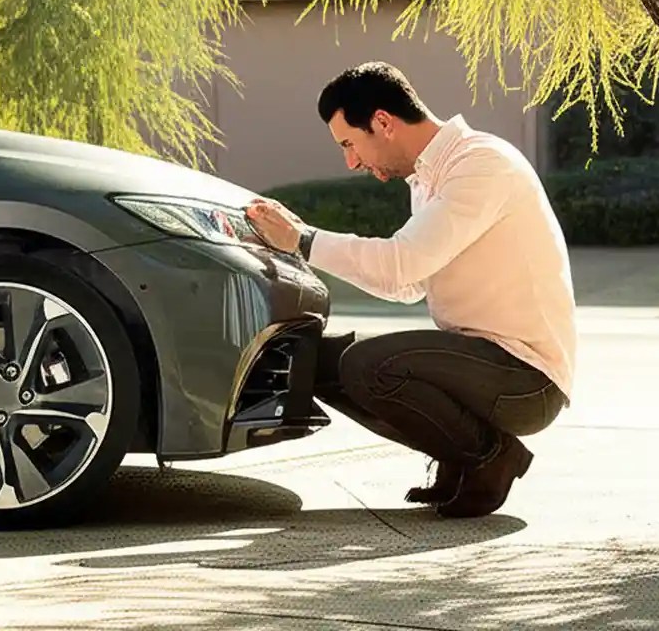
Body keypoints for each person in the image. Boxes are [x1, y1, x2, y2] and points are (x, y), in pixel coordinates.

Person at [245, 61, 577, 518]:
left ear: (382, 123)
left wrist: (303, 240)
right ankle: (461, 455)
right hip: (474, 363)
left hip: (525, 377)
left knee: (367, 365)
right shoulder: (427, 179)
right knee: (316, 359)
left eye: (350, 143)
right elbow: (407, 284)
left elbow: (402, 265)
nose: (351, 162)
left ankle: (490, 456)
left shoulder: (481, 165)